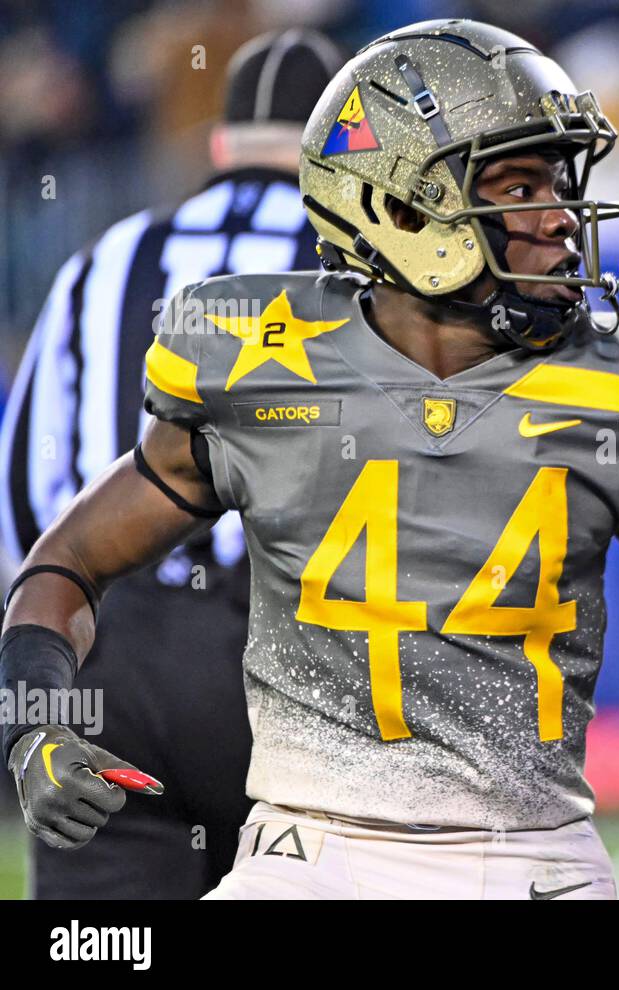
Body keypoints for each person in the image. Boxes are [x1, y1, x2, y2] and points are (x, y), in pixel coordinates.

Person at [1, 19, 619, 901]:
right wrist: (35, 730)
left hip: (529, 861)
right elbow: (63, 569)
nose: (560, 219)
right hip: (307, 856)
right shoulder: (258, 360)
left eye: (561, 181)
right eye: (519, 183)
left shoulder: (612, 385)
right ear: (398, 207)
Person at [0, 28, 347, 899]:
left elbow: (22, 494)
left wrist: (39, 674)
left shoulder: (102, 261)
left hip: (103, 644)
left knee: (104, 945)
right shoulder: (356, 268)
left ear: (219, 144)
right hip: (290, 660)